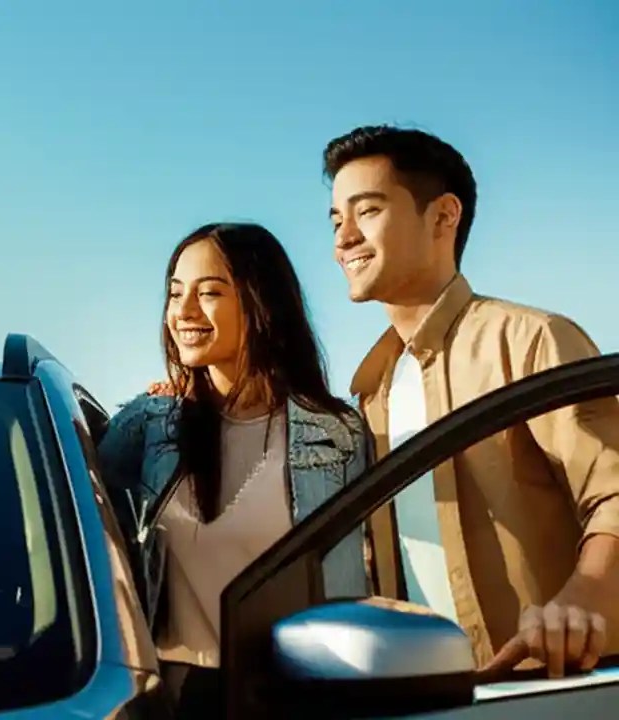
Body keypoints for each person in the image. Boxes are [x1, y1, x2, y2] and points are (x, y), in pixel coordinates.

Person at [325, 124, 619, 679]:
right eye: (336, 219)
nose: (342, 239)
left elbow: (614, 494)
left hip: (555, 690)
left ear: (443, 216)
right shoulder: (370, 393)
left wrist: (579, 602)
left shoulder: (532, 341)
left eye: (366, 211)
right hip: (425, 694)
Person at [96, 222, 373, 706]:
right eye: (175, 293)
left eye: (209, 293)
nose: (182, 313)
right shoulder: (148, 426)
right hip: (175, 697)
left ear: (261, 302)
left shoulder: (337, 434)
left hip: (303, 696)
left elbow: (370, 573)